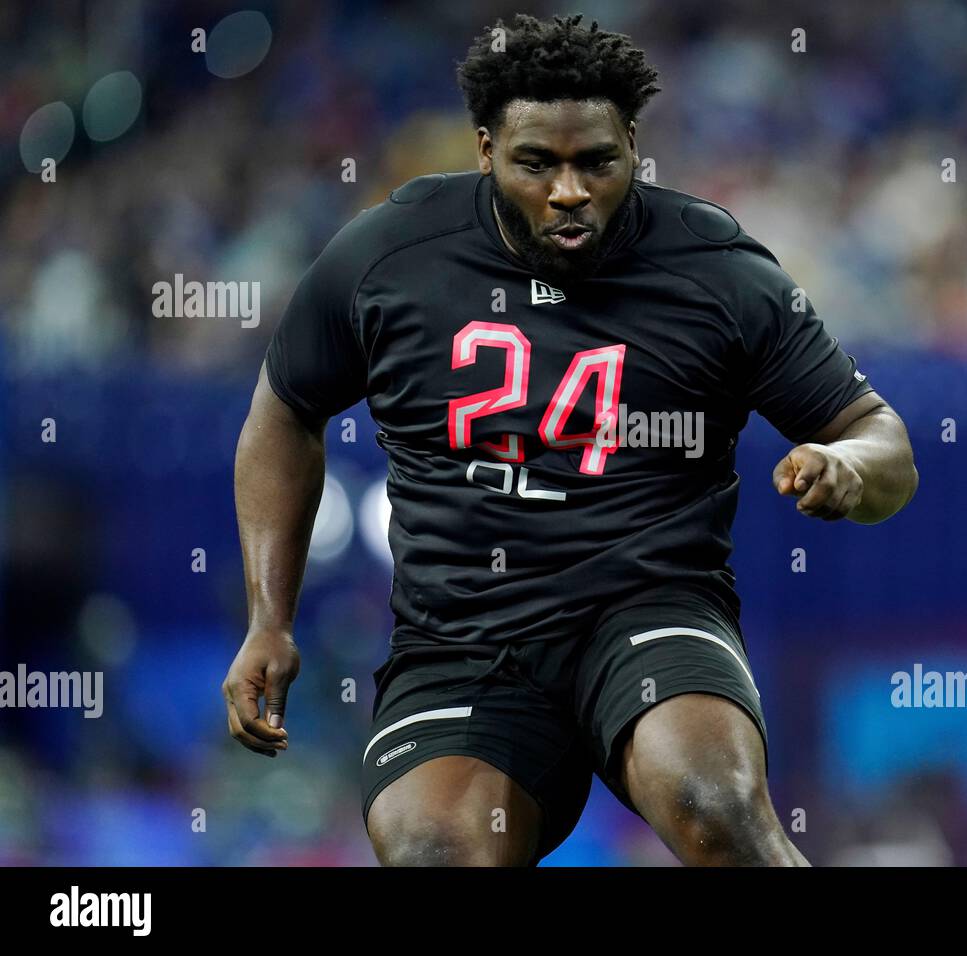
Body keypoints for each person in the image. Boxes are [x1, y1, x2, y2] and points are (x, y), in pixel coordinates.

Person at [222, 13, 917, 866]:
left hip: (648, 606)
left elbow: (882, 440)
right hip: (460, 634)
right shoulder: (387, 255)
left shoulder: (718, 270)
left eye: (597, 161)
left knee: (717, 809)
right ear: (483, 151)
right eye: (536, 164)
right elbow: (283, 412)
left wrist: (848, 464)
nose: (569, 191)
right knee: (434, 850)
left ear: (633, 143)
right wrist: (270, 621)